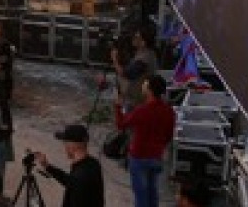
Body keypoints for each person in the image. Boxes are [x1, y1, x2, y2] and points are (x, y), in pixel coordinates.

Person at [115, 75, 176, 207]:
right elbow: (169, 136)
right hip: (156, 157)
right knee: (152, 195)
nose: (143, 86)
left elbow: (121, 124)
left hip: (139, 158)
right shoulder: (169, 111)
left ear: (149, 90)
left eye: (145, 84)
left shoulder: (142, 110)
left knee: (141, 198)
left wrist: (118, 107)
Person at [37, 124, 105, 207]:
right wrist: (47, 166)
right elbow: (70, 182)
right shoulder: (93, 164)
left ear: (72, 145)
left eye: (65, 142)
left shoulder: (79, 176)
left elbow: (75, 183)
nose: (64, 145)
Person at [113, 27, 159, 111]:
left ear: (143, 42)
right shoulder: (144, 53)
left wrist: (114, 59)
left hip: (136, 101)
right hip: (134, 98)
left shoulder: (145, 58)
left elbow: (127, 74)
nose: (133, 39)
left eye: (137, 37)